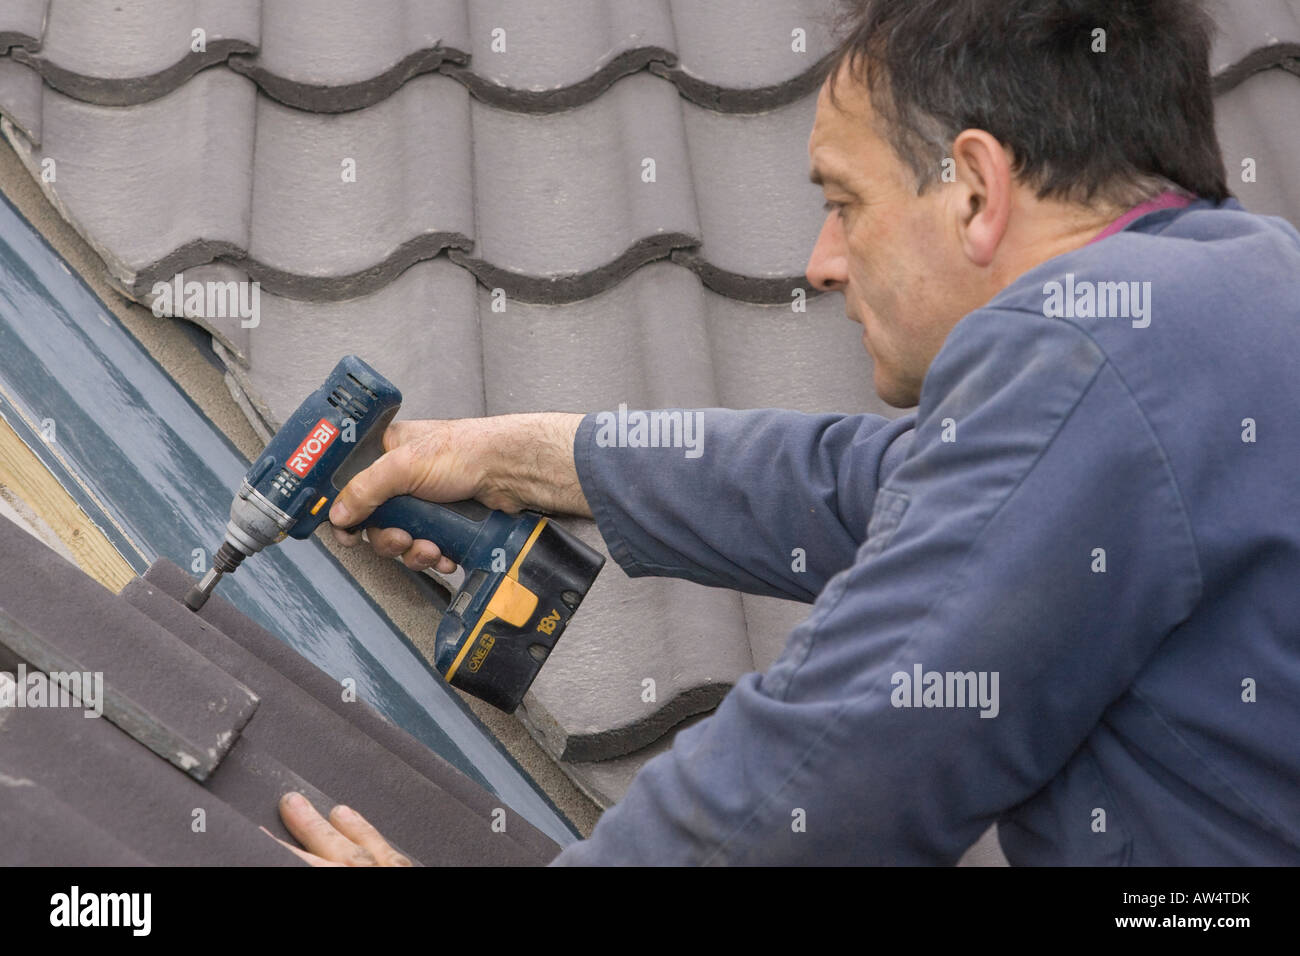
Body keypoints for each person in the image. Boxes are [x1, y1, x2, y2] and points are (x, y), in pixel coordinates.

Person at [272, 0, 1300, 865]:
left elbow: (832, 764)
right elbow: (869, 488)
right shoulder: (1238, 294)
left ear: (975, 190)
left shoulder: (1089, 352)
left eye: (843, 204)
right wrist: (523, 457)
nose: (820, 263)